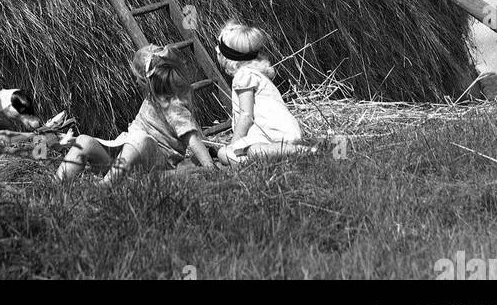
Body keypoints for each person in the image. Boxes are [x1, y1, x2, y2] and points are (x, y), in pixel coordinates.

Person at [56, 44, 217, 184]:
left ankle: (105, 187)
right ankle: (55, 184)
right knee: (84, 141)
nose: (135, 82)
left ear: (145, 81)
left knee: (139, 139)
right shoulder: (152, 98)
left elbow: (192, 138)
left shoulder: (172, 105)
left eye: (137, 78)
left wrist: (210, 167)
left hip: (156, 163)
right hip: (125, 160)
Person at [214, 22, 316, 163]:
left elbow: (246, 115)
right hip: (271, 133)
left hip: (273, 133)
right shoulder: (253, 73)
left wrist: (234, 144)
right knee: (223, 153)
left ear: (227, 57)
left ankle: (303, 151)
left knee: (247, 151)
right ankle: (266, 159)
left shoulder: (243, 76)